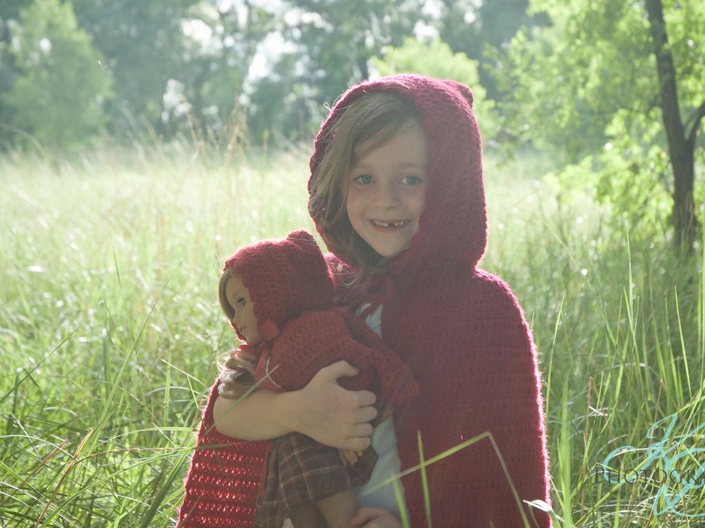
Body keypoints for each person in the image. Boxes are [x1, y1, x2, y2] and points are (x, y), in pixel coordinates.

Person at [213, 74, 552, 527]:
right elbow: (228, 409)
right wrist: (298, 411)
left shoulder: (482, 313)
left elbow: (509, 482)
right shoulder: (320, 288)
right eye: (364, 178)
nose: (385, 200)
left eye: (410, 178)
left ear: (450, 187)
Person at [178, 230, 417, 528]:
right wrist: (296, 410)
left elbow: (360, 369)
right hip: (286, 484)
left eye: (241, 301)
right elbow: (224, 412)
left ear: (274, 293)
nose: (235, 319)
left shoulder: (318, 331)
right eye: (231, 308)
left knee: (311, 471)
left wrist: (349, 430)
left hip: (336, 463)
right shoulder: (257, 354)